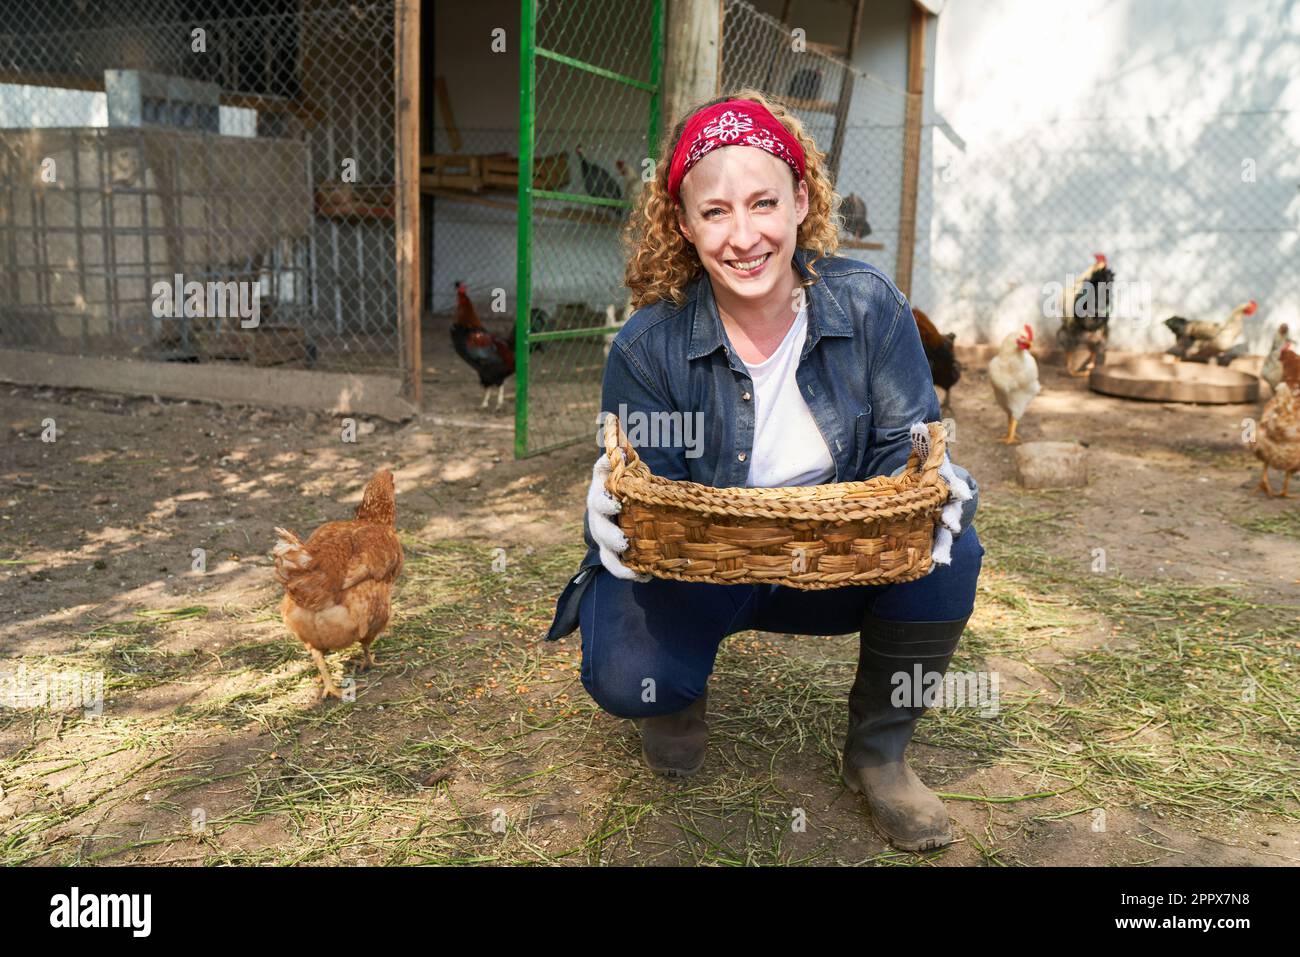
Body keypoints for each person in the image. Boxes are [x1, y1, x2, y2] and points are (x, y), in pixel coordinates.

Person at [544, 88, 984, 852]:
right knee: (626, 670)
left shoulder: (871, 308)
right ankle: (674, 695)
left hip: (837, 564)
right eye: (714, 212)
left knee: (950, 547)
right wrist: (615, 502)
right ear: (682, 224)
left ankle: (879, 753)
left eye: (762, 203)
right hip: (705, 571)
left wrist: (935, 485)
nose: (743, 236)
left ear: (801, 199)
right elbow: (655, 503)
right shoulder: (647, 348)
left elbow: (903, 455)